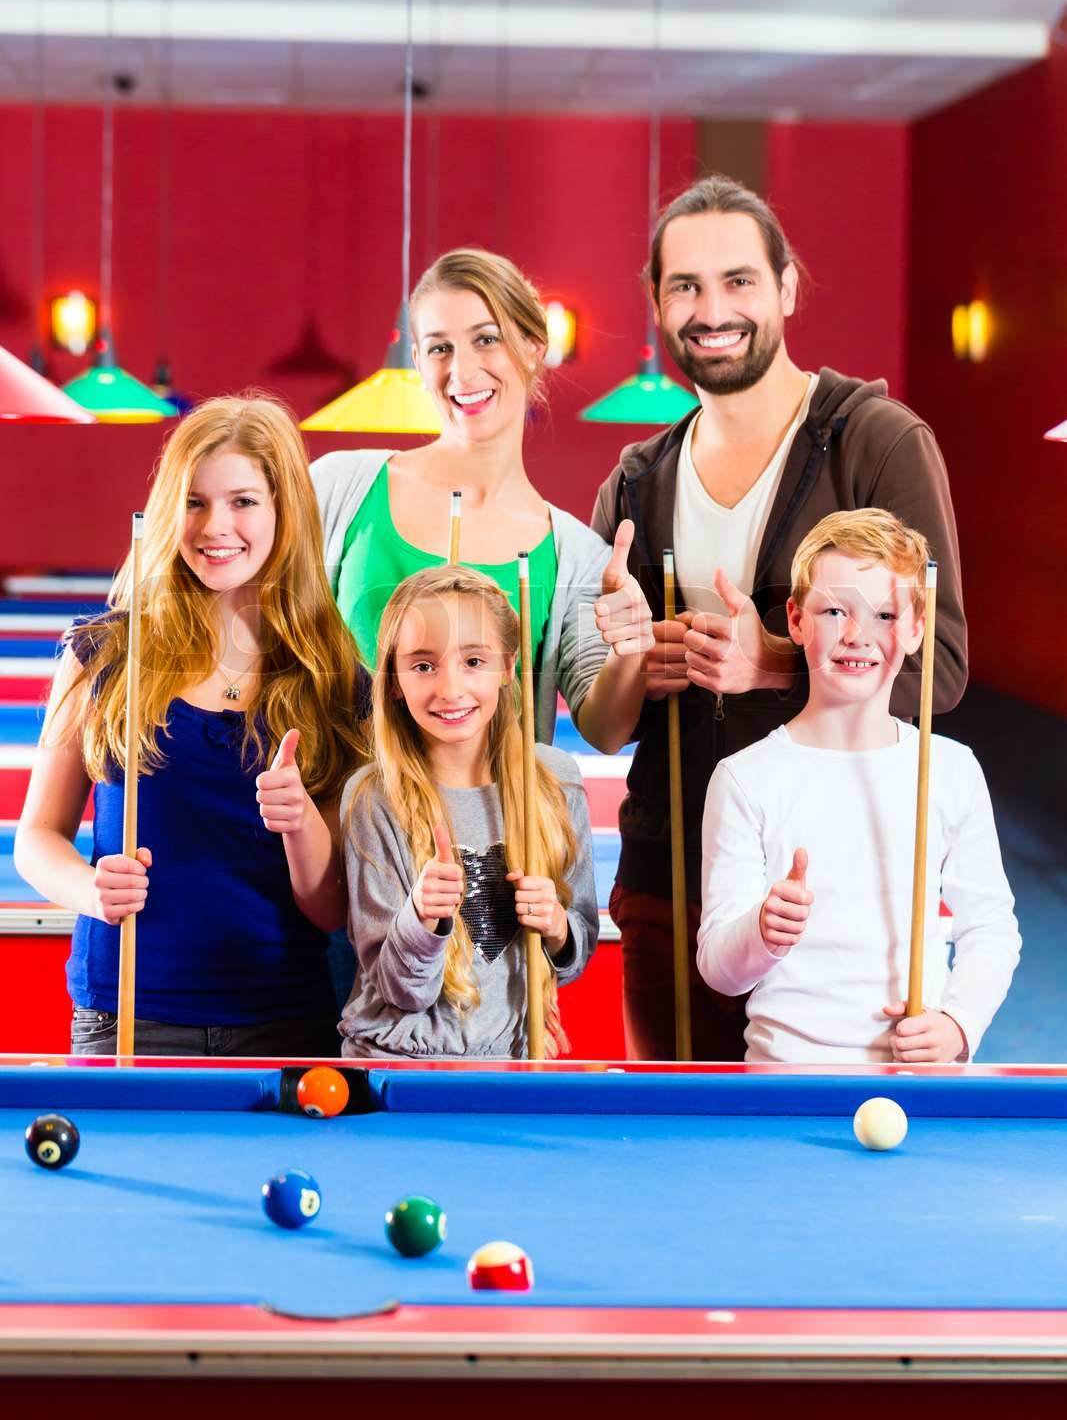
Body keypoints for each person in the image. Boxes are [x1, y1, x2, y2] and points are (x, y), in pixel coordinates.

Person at [591, 173, 968, 1061]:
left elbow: (940, 670)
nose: (710, 308)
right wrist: (639, 661)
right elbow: (605, 727)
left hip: (826, 883)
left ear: (787, 287)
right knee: (675, 1159)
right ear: (654, 302)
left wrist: (772, 662)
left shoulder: (880, 442)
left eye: (738, 281)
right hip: (668, 875)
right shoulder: (635, 479)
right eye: (683, 286)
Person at [14, 395, 368, 1056]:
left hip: (286, 1016)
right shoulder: (104, 655)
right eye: (195, 502)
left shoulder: (332, 678)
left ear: (283, 511)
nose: (216, 526)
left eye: (242, 501)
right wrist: (89, 889)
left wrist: (301, 823)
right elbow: (37, 837)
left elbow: (333, 908)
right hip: (126, 1012)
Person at [696, 509, 1019, 1063]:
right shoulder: (745, 779)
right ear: (796, 620)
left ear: (916, 629)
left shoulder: (951, 768)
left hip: (918, 1076)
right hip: (787, 1076)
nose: (856, 635)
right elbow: (720, 972)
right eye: (834, 610)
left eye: (886, 614)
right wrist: (762, 931)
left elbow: (990, 927)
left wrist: (957, 1023)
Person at [311, 247, 651, 751]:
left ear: (534, 347)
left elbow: (606, 730)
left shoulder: (576, 555)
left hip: (490, 828)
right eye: (438, 348)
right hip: (339, 823)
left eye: (486, 340)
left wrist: (631, 649)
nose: (462, 371)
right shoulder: (338, 487)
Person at [338, 565, 598, 1059]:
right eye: (422, 666)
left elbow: (573, 956)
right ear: (393, 680)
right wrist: (423, 918)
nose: (450, 688)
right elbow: (401, 990)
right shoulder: (373, 797)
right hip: (398, 1064)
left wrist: (559, 929)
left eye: (473, 660)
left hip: (513, 1065)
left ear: (507, 666)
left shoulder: (554, 782)